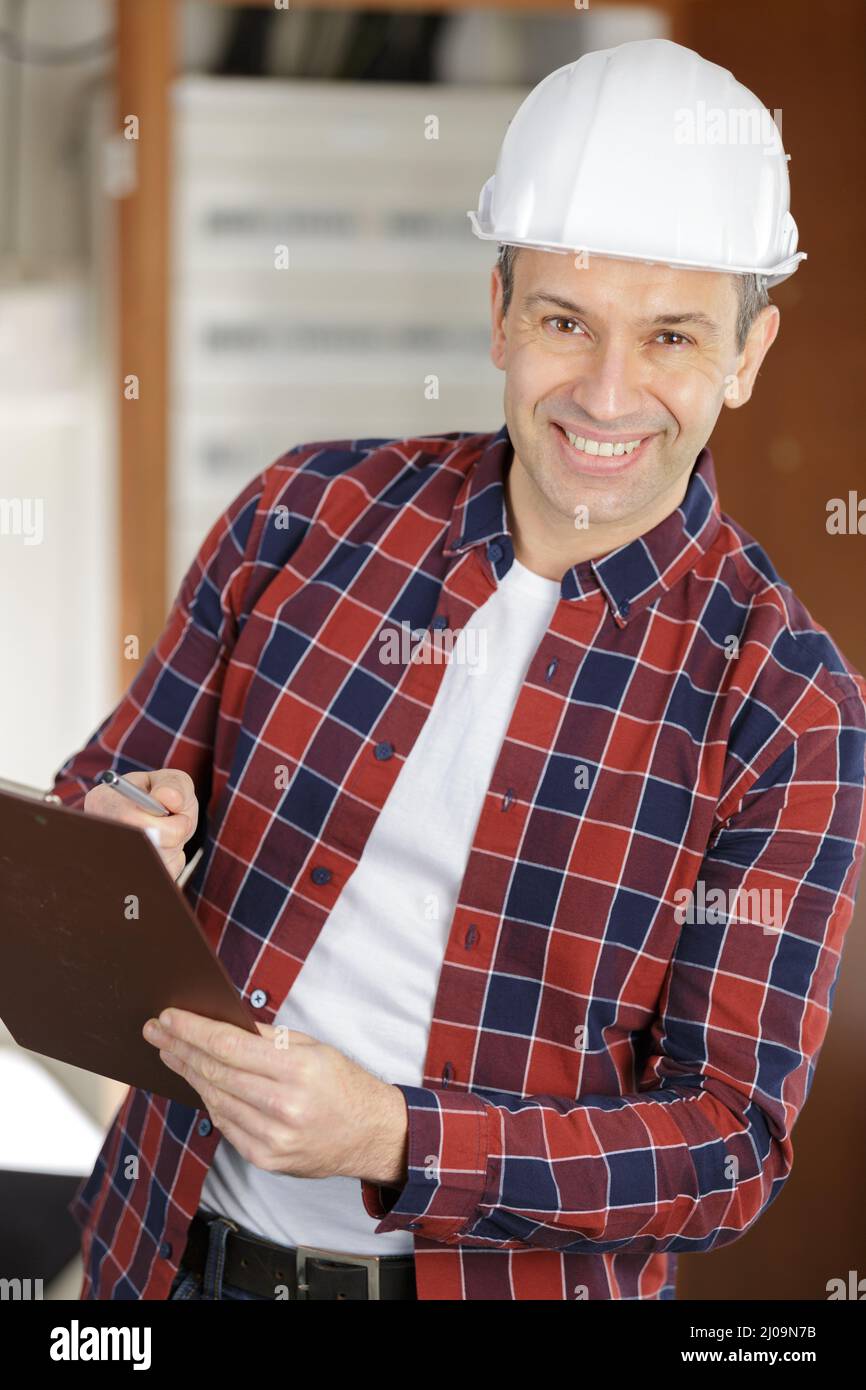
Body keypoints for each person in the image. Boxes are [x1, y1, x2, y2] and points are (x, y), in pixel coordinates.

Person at [51, 38, 865, 1301]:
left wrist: (394, 1140)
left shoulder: (787, 707)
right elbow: (90, 808)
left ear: (746, 358)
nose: (606, 393)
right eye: (561, 321)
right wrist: (123, 837)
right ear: (496, 318)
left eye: (670, 337)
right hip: (157, 1260)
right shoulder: (301, 515)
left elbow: (725, 1147)